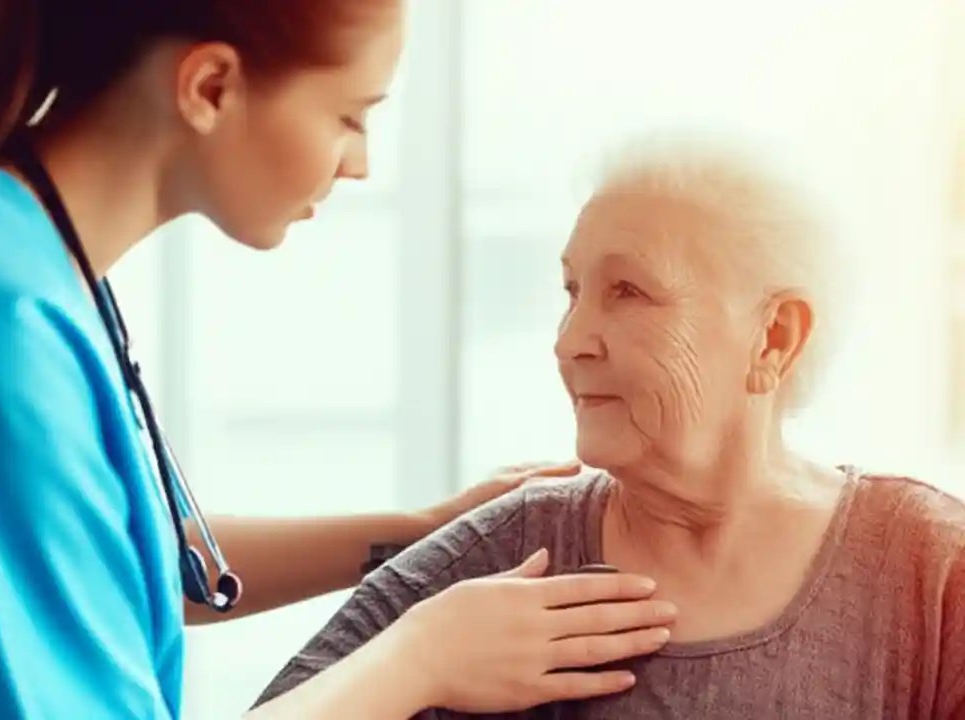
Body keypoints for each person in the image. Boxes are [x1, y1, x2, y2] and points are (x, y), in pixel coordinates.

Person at [0, 2, 680, 718]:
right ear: (209, 86)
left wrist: (419, 534)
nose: (360, 162)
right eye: (349, 115)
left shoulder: (15, 261)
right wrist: (421, 657)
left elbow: (122, 565)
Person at [252, 136, 965, 719]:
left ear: (773, 338)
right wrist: (422, 660)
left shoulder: (927, 566)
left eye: (628, 291)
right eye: (572, 291)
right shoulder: (498, 562)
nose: (569, 341)